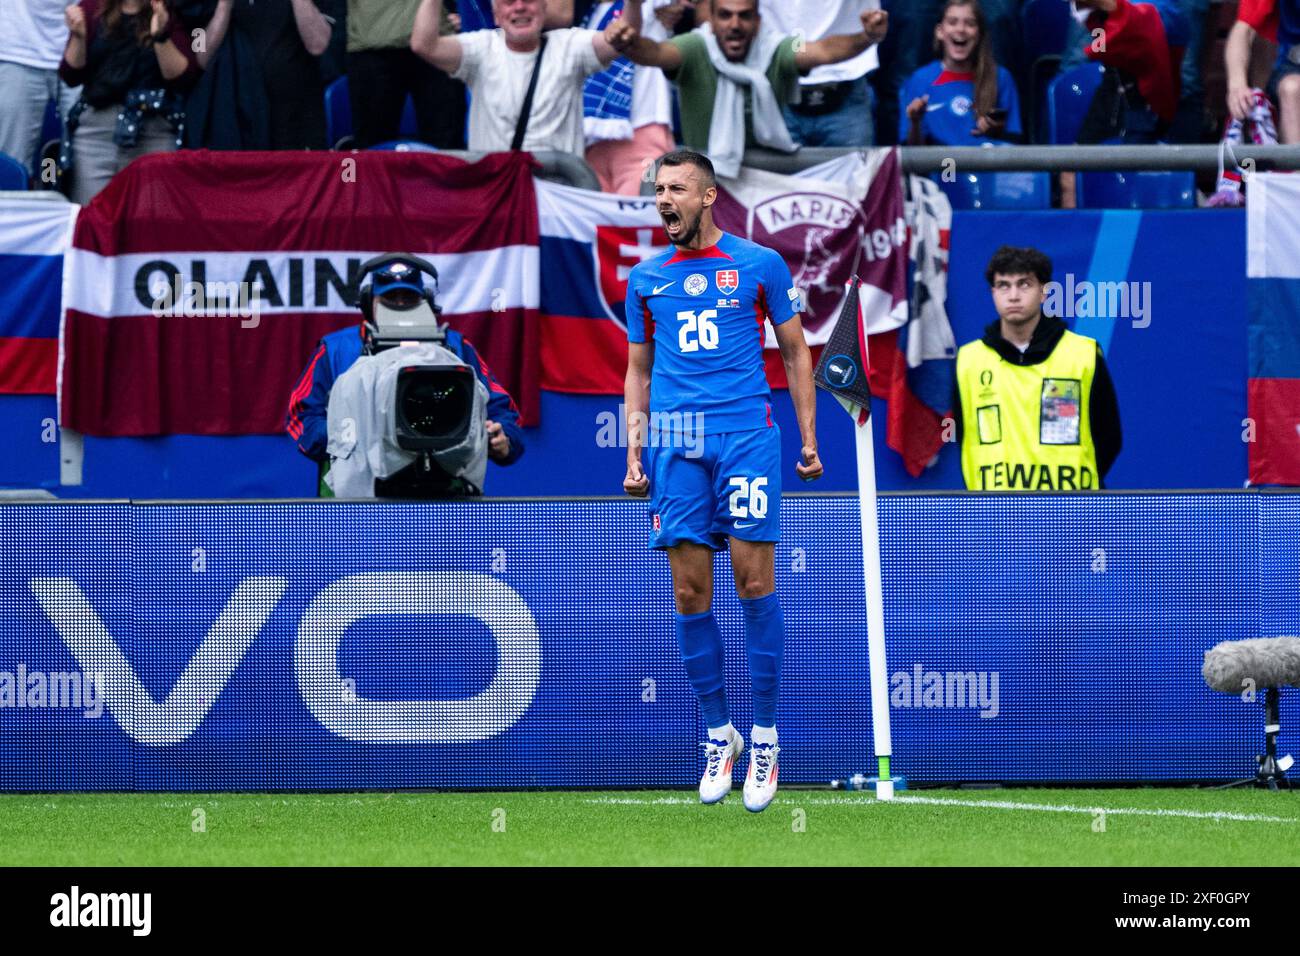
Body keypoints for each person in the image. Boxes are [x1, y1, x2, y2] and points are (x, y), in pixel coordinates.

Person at [622, 150, 822, 812]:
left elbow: (796, 352)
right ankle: (719, 734)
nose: (662, 199)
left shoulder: (759, 265)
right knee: (688, 591)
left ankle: (765, 737)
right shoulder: (647, 278)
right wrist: (634, 451)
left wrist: (809, 440)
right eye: (657, 190)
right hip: (677, 443)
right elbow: (638, 370)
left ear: (708, 196)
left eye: (676, 188)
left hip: (745, 435)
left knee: (754, 581)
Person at [286, 259, 525, 494]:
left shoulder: (455, 348)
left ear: (427, 302)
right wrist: (349, 436)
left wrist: (502, 439)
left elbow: (502, 410)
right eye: (390, 299)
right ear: (370, 303)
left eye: (409, 299)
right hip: (359, 498)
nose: (399, 305)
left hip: (447, 492)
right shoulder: (336, 349)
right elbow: (301, 416)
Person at [605, 0, 888, 177]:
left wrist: (866, 36)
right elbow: (655, 53)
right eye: (725, 16)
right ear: (711, 20)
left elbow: (821, 50)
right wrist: (628, 43)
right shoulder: (696, 47)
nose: (735, 25)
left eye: (744, 16)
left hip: (764, 191)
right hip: (712, 194)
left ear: (758, 21)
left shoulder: (776, 48)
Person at [953, 246, 1122, 492]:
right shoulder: (969, 361)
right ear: (992, 292)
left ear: (1044, 293)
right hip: (994, 516)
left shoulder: (1082, 355)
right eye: (1003, 285)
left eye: (1024, 284)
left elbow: (1109, 437)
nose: (1013, 295)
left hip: (1073, 513)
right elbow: (964, 436)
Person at [410, 0, 621, 155]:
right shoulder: (481, 47)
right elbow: (424, 45)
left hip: (558, 188)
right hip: (482, 55)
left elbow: (563, 14)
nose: (519, 5)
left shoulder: (568, 45)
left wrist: (515, 10)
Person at [58, 0, 201, 205]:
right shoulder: (92, 7)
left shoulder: (171, 10)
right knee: (91, 217)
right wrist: (79, 37)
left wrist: (161, 36)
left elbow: (184, 78)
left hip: (153, 131)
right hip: (96, 131)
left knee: (148, 222)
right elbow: (70, 75)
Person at [184, 0, 341, 150]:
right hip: (240, 124)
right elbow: (201, 57)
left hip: (297, 120)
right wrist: (224, 7)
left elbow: (318, 45)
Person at [581, 0, 680, 195]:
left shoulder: (651, 4)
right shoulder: (586, 12)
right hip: (594, 140)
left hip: (642, 133)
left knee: (643, 221)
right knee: (599, 225)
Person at [345, 0, 466, 149]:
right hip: (373, 41)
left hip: (436, 38)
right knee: (373, 148)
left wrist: (467, 14)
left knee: (447, 147)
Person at [900, 0, 1021, 147]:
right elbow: (915, 158)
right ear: (940, 31)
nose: (961, 29)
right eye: (952, 22)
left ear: (979, 34)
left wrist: (996, 132)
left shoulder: (1000, 78)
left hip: (987, 167)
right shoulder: (921, 79)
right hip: (945, 167)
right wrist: (915, 122)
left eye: (970, 24)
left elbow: (1013, 148)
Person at [762, 0, 882, 148]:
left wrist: (868, 36)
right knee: (769, 171)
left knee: (857, 169)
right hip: (777, 92)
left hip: (846, 92)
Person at [0, 0, 80, 182]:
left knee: (87, 157)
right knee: (12, 162)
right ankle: (13, 209)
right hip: (16, 51)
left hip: (79, 49)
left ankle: (66, 201)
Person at [1227, 0, 1300, 143]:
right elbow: (1244, 28)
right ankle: (1295, 165)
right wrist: (1237, 85)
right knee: (1291, 89)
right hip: (1294, 64)